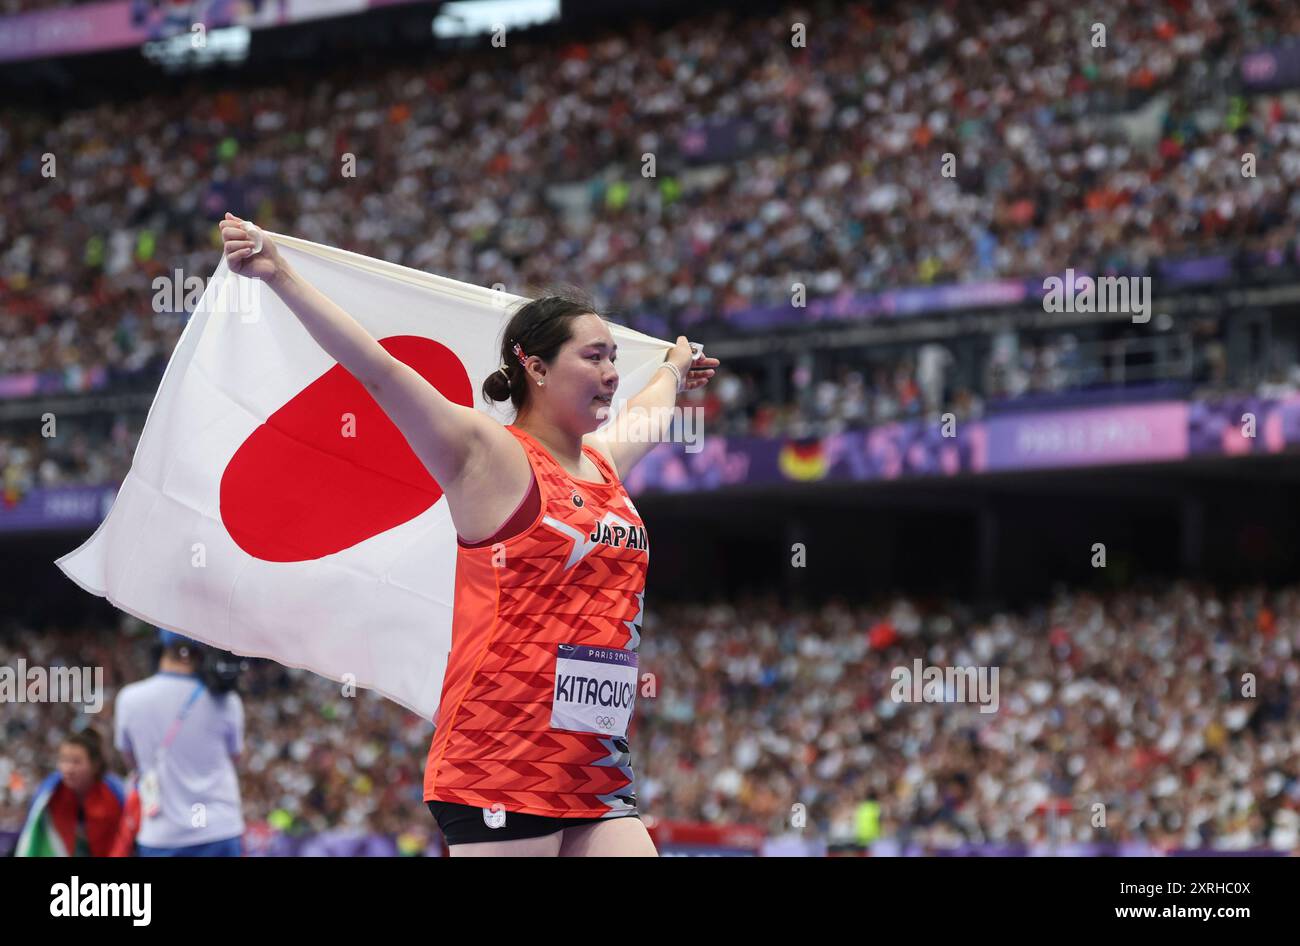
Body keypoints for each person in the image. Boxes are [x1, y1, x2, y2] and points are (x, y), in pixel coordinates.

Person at [218, 212, 719, 855]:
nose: (611, 373)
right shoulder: (486, 456)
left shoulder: (601, 464)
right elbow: (378, 371)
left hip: (592, 768)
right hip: (500, 763)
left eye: (614, 358)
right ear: (535, 368)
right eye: (593, 357)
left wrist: (674, 367)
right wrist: (279, 274)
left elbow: (649, 409)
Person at [112, 629, 246, 856]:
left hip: (161, 834)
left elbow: (130, 760)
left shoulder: (129, 699)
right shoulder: (227, 701)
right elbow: (235, 757)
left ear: (160, 650)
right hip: (217, 829)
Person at [15, 727, 126, 857]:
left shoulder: (116, 793)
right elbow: (32, 836)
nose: (68, 769)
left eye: (76, 762)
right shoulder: (47, 794)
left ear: (95, 765)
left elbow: (126, 838)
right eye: (63, 760)